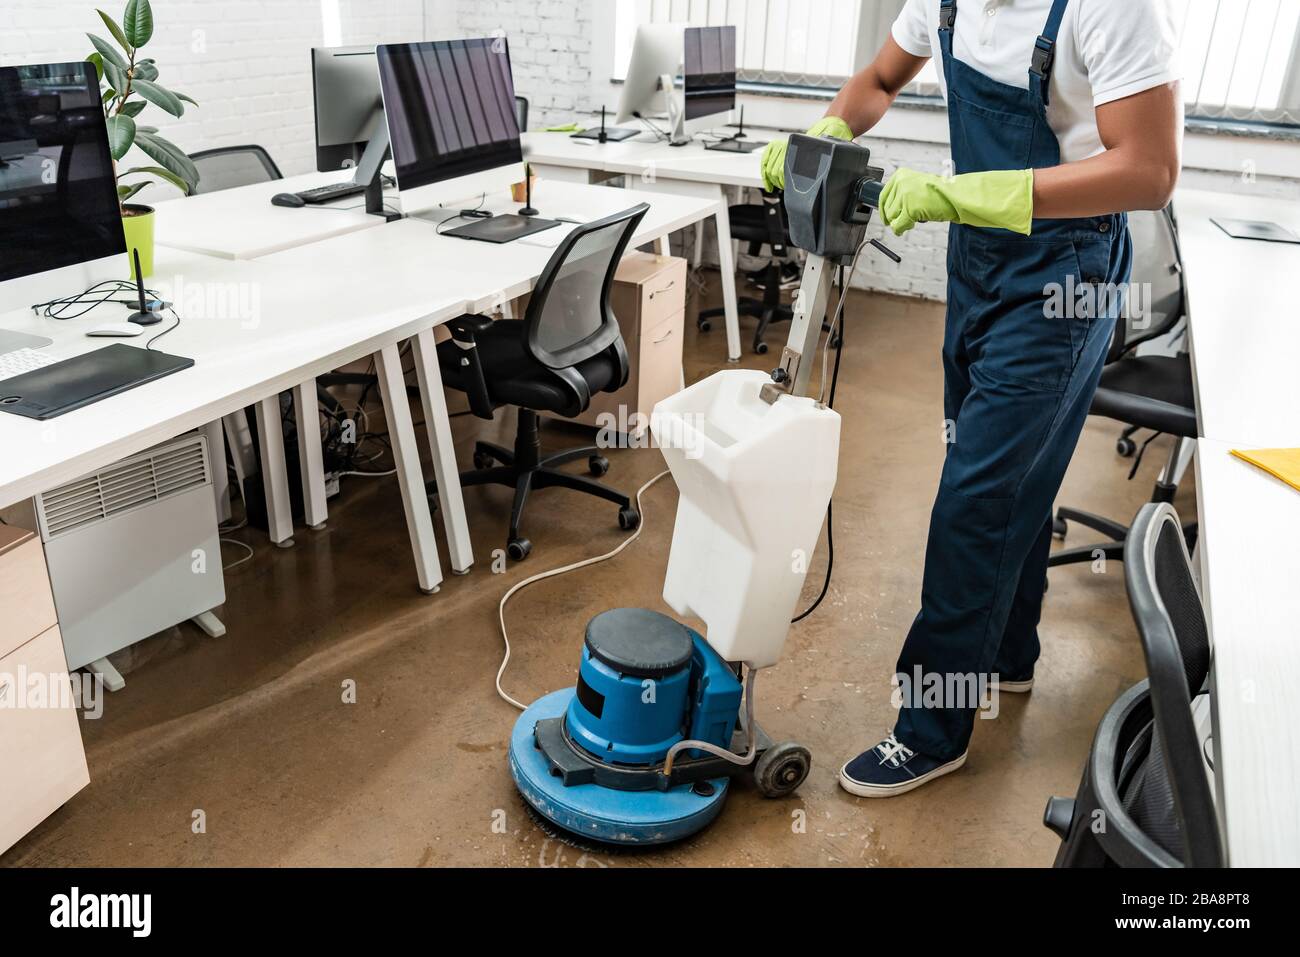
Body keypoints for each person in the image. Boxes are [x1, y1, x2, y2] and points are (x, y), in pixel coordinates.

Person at [762, 0, 1183, 797]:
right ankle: (1007, 654)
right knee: (1005, 472)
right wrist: (823, 135)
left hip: (1067, 274)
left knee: (973, 501)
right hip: (980, 266)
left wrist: (963, 195)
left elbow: (1150, 172)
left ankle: (930, 727)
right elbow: (883, 76)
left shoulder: (1112, 8)